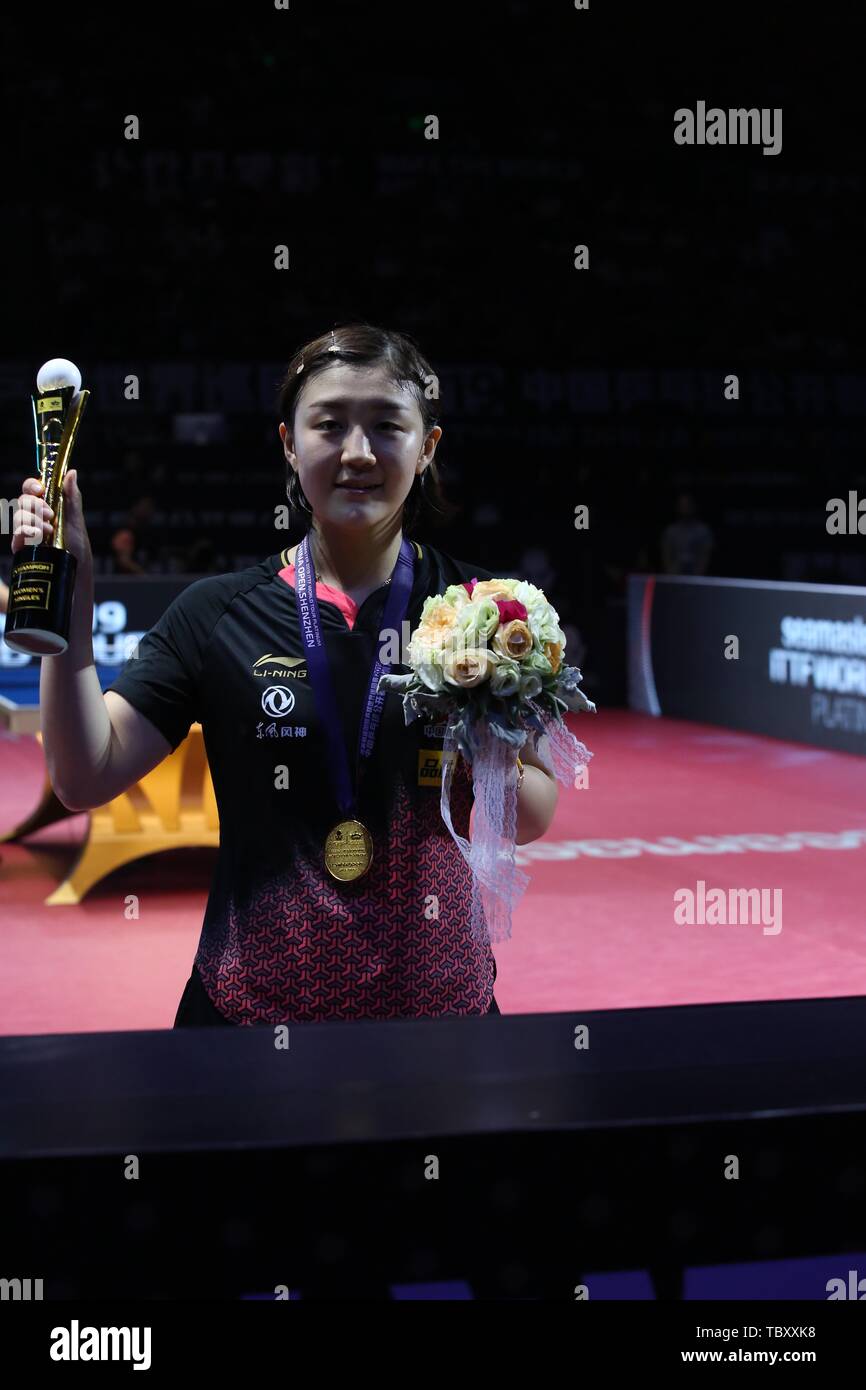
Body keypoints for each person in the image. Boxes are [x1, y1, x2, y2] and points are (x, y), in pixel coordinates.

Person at [11, 324, 560, 1027]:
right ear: (288, 444)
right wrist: (69, 609)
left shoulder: (490, 616)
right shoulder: (215, 615)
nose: (357, 453)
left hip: (440, 1017)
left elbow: (534, 813)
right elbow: (85, 776)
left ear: (427, 448)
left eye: (387, 426)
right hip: (252, 1015)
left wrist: (479, 730)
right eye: (329, 425)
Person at [661, 491, 714, 576]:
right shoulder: (671, 531)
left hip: (696, 575)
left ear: (693, 506)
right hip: (675, 574)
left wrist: (698, 574)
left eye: (687, 505)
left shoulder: (702, 531)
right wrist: (671, 572)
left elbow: (705, 555)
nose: (685, 508)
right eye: (682, 505)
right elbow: (666, 553)